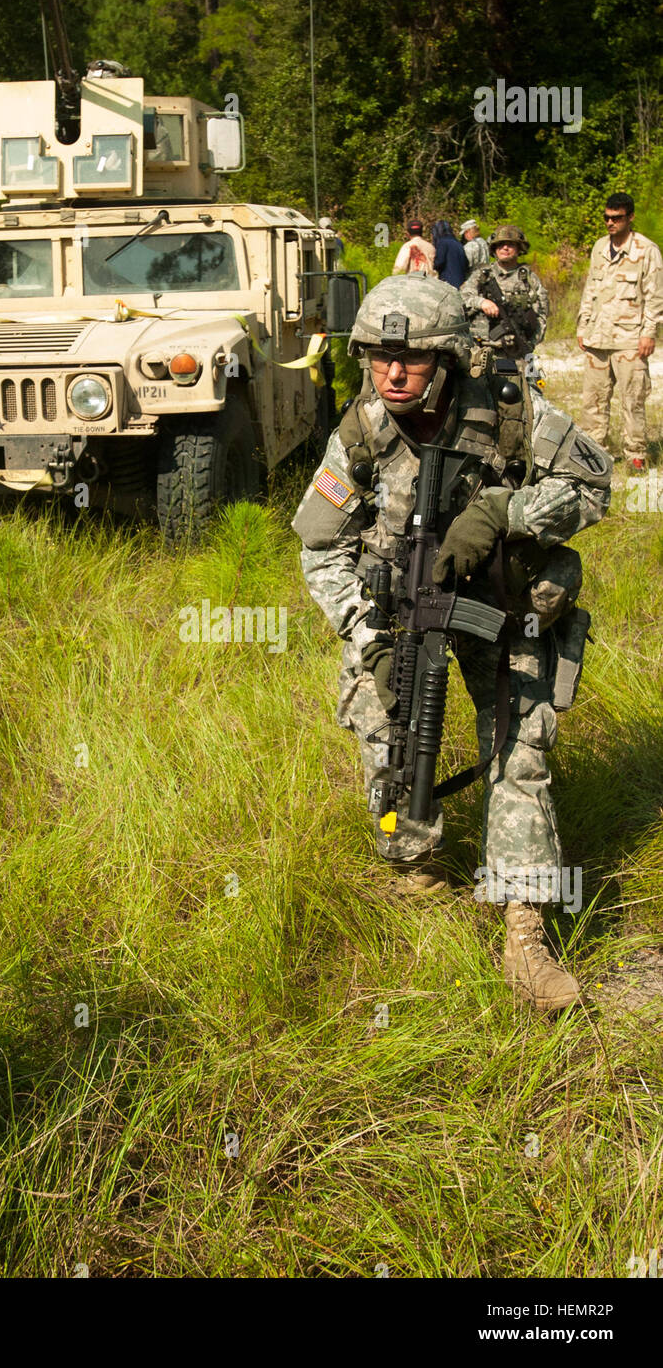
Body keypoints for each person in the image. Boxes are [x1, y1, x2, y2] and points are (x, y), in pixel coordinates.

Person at [292, 275, 612, 1012]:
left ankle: (525, 928)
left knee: (520, 744)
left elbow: (594, 486)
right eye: (379, 357)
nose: (393, 373)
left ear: (448, 359)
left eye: (411, 358)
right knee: (385, 723)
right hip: (404, 618)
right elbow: (320, 547)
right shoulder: (363, 430)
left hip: (500, 607)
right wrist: (368, 636)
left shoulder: (508, 411)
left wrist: (506, 511)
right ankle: (415, 868)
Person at [577, 193, 663, 473]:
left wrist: (649, 333)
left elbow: (655, 296)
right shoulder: (600, 247)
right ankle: (594, 457)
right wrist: (583, 325)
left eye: (617, 218)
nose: (610, 223)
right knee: (593, 401)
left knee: (633, 400)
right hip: (598, 338)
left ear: (630, 217)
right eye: (607, 217)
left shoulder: (646, 250)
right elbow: (590, 289)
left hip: (630, 340)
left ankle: (635, 455)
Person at [461, 225, 549, 358]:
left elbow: (541, 314)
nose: (505, 248)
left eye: (510, 244)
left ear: (519, 248)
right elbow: (462, 299)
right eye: (500, 244)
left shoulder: (528, 279)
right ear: (494, 249)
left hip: (517, 352)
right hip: (482, 350)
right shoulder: (482, 275)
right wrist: (481, 302)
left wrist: (529, 344)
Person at [432, 219, 468, 288]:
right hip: (461, 281)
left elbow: (439, 262)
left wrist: (431, 264)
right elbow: (466, 263)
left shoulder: (442, 242)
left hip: (449, 281)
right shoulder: (457, 242)